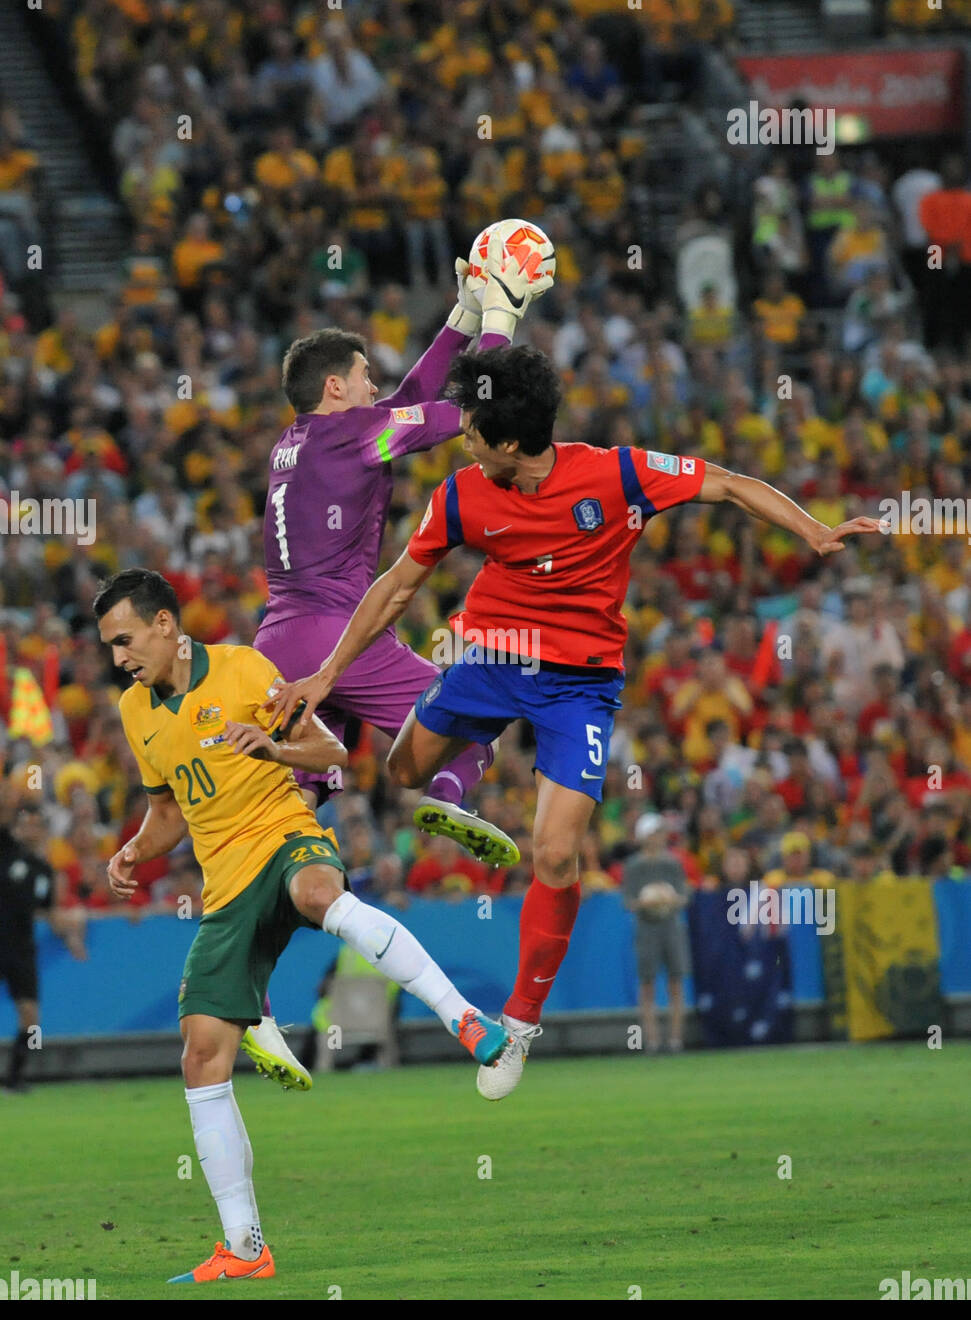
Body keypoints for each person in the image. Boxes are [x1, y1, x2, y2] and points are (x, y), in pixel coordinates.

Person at [266, 343, 885, 1101]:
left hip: (578, 687)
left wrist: (810, 530)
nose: (461, 440)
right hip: (491, 658)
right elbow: (395, 587)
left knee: (555, 855)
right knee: (402, 771)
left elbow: (723, 484)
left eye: (472, 434)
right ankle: (466, 754)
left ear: (509, 444)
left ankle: (519, 1023)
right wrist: (327, 674)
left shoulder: (616, 473)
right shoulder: (461, 495)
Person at [96, 568, 512, 1283]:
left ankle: (467, 1020)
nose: (118, 658)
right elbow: (168, 812)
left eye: (125, 640)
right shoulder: (137, 712)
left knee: (320, 892)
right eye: (109, 646)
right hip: (225, 888)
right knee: (200, 1055)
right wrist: (134, 848)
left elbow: (330, 752)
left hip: (284, 836)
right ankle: (245, 1247)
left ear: (165, 624)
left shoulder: (243, 669)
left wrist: (271, 747)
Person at [245, 228, 551, 1087]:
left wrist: (454, 318)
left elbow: (412, 398)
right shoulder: (351, 438)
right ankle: (445, 793)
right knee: (473, 707)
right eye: (365, 377)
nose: (378, 386)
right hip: (342, 633)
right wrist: (496, 316)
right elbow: (469, 412)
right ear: (337, 387)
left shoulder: (301, 440)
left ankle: (256, 1009)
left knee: (283, 831)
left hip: (283, 635)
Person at [0, 781, 86, 1094]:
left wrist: (72, 937)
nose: (30, 831)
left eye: (36, 826)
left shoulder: (42, 870)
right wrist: (11, 795)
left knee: (30, 1015)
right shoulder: (5, 849)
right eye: (25, 824)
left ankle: (14, 1077)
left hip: (21, 948)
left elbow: (50, 912)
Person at [623, 812, 690, 1054]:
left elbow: (684, 895)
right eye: (654, 833)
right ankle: (651, 1040)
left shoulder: (672, 863)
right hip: (646, 928)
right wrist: (646, 902)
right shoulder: (635, 866)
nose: (659, 837)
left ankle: (675, 1039)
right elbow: (628, 901)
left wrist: (669, 899)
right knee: (647, 983)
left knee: (675, 981)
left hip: (670, 926)